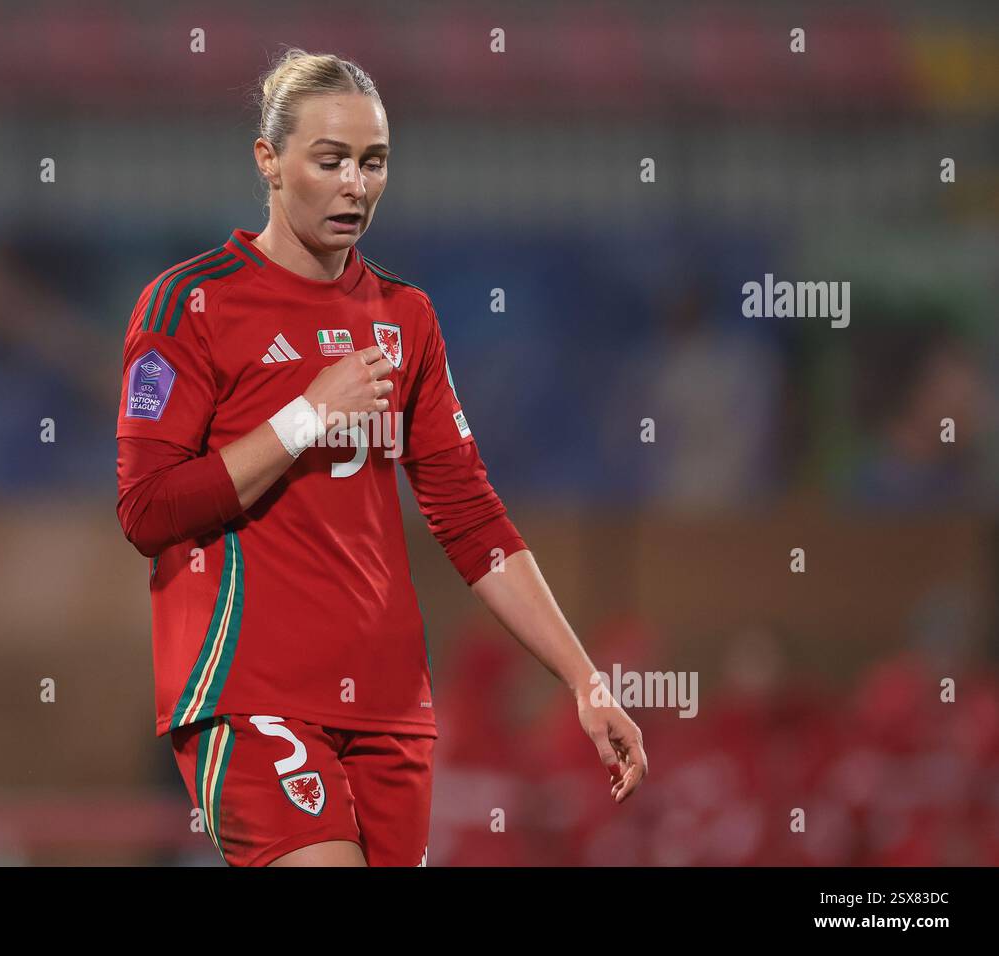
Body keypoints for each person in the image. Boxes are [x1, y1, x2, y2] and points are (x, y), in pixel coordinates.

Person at [115, 48, 647, 867]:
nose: (355, 185)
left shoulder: (407, 318)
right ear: (268, 160)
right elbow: (147, 511)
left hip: (392, 710)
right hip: (248, 696)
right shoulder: (191, 304)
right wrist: (301, 420)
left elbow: (470, 518)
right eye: (329, 161)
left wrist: (584, 680)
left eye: (373, 163)